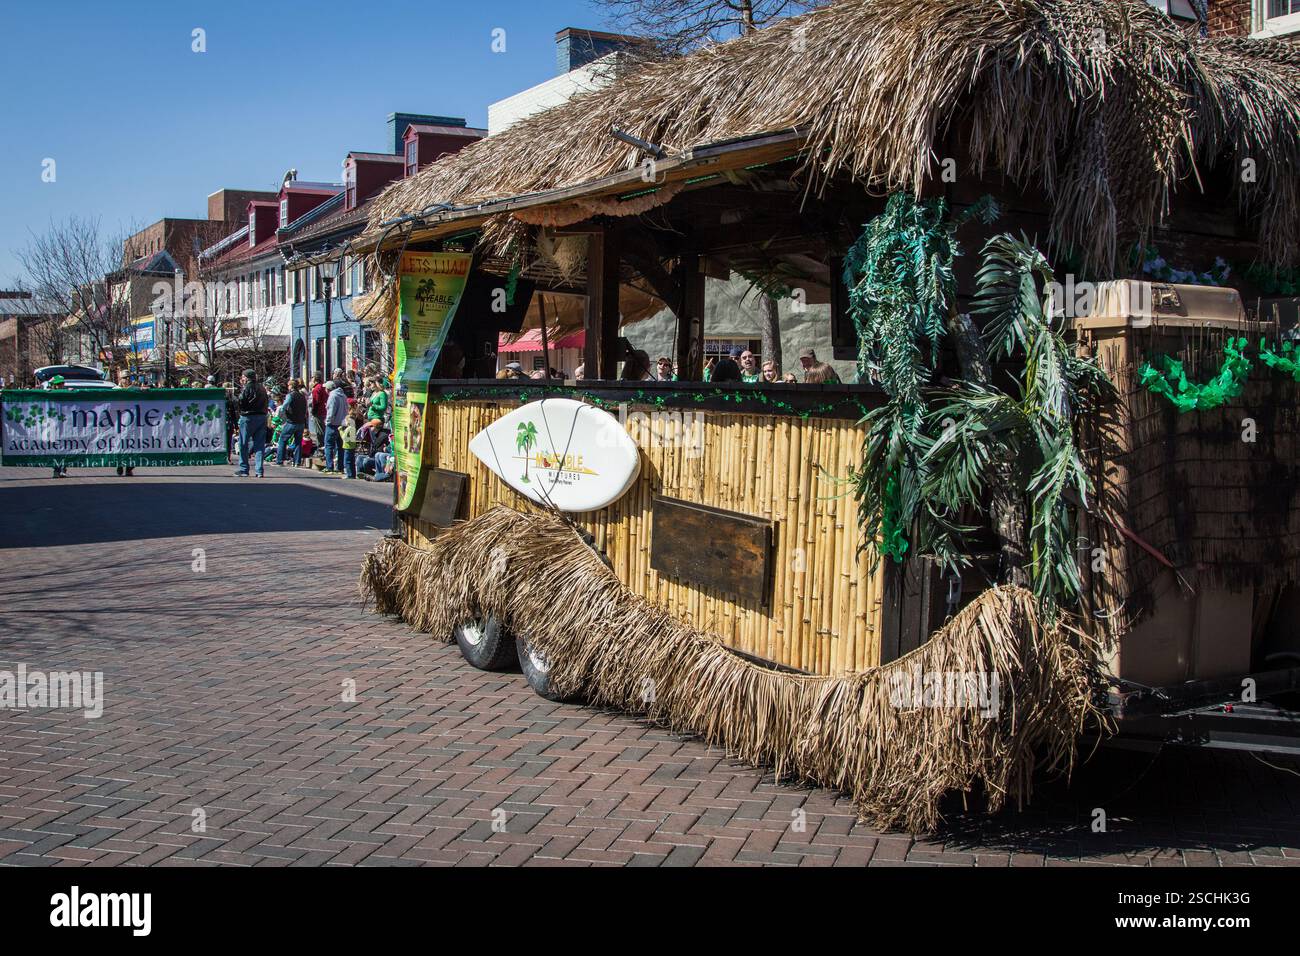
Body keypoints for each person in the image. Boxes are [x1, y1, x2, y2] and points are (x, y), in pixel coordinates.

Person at [233, 369, 269, 478]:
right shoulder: (262, 388)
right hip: (262, 417)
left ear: (246, 378)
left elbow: (241, 401)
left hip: (248, 417)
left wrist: (235, 400)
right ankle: (259, 470)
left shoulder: (246, 388)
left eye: (243, 377)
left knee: (243, 443)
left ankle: (244, 469)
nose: (241, 379)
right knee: (259, 445)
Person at [275, 379, 308, 468]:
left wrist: (282, 416)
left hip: (291, 421)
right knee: (298, 442)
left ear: (291, 386)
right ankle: (297, 461)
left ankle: (280, 460)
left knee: (283, 439)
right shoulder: (302, 396)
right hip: (301, 422)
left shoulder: (290, 395)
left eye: (288, 386)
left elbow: (284, 407)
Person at [323, 380, 348, 474]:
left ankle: (329, 467)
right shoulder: (343, 396)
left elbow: (331, 410)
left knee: (329, 445)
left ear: (328, 389)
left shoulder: (332, 396)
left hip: (333, 424)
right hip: (342, 424)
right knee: (340, 447)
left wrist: (328, 421)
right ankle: (340, 467)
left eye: (325, 388)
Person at [48, 376, 69, 478]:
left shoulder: (68, 393)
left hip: (65, 425)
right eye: (58, 384)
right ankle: (56, 469)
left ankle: (63, 468)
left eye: (62, 383)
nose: (61, 385)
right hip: (54, 425)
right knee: (55, 448)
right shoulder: (49, 394)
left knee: (65, 447)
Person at [340, 407, 361, 479]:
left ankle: (349, 474)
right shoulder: (353, 428)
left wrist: (340, 431)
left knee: (347, 461)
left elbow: (344, 437)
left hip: (347, 446)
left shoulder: (348, 428)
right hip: (352, 446)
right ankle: (353, 474)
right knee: (352, 461)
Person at [309, 373, 327, 450]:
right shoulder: (323, 387)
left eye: (312, 378)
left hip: (318, 412)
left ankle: (321, 447)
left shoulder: (316, 389)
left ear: (315, 379)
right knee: (322, 429)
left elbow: (316, 401)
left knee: (319, 431)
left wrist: (313, 412)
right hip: (323, 411)